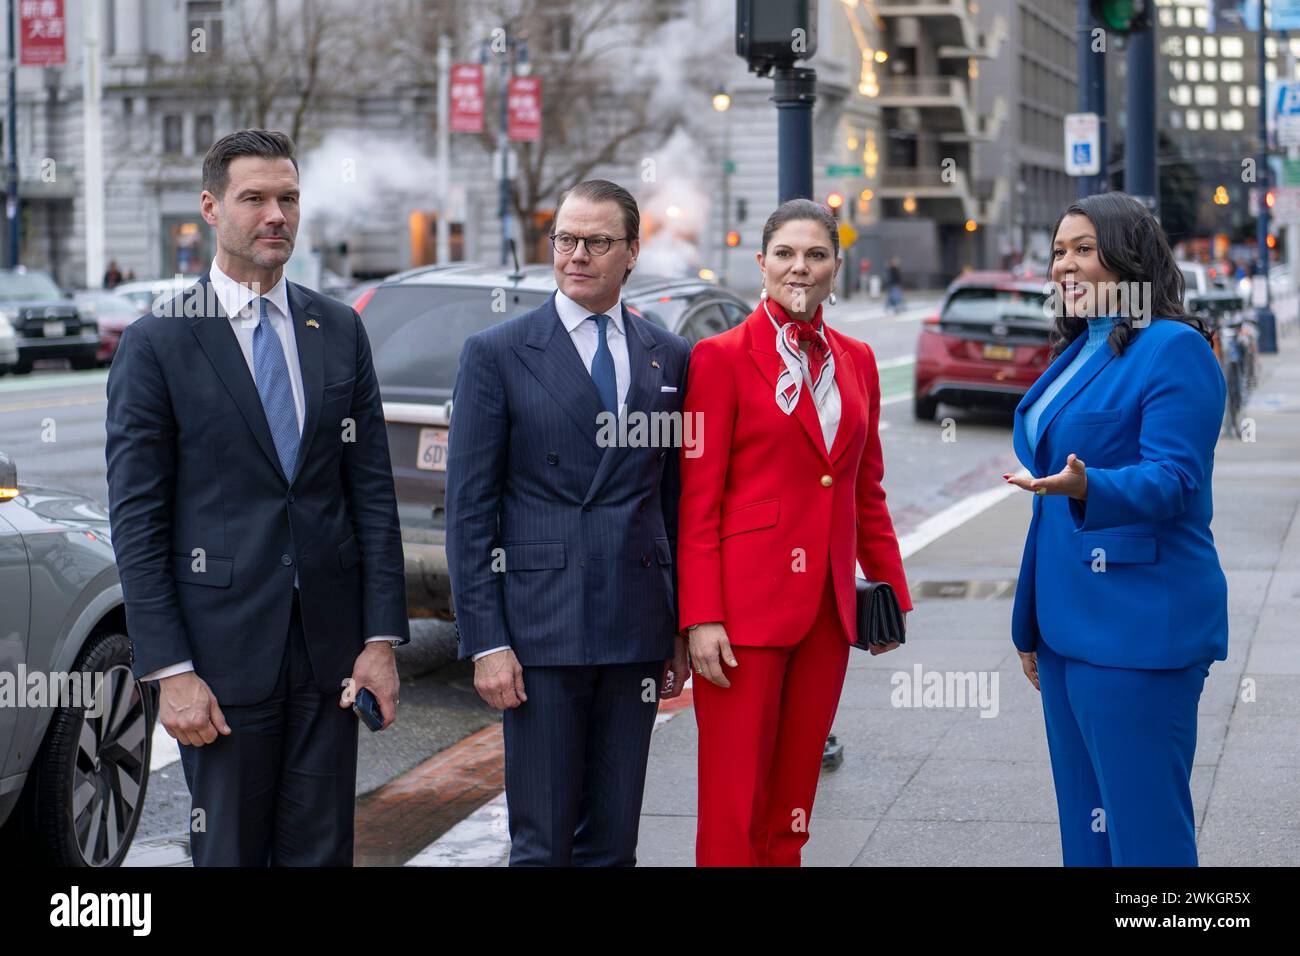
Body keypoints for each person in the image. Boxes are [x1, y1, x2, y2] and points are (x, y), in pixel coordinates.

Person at [105, 129, 408, 866]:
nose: (276, 214)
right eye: (255, 198)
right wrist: (170, 673)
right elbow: (137, 524)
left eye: (289, 198)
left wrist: (380, 641)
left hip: (330, 656)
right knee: (230, 852)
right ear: (211, 207)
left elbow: (370, 493)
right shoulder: (159, 342)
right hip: (219, 657)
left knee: (322, 852)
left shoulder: (336, 328)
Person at [445, 179, 691, 866]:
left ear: (633, 252)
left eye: (597, 242)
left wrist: (678, 624)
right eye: (565, 240)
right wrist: (485, 640)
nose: (576, 255)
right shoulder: (497, 353)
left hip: (635, 627)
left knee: (614, 843)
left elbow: (673, 502)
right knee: (542, 844)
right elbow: (469, 512)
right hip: (539, 633)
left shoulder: (667, 356)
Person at [677, 198, 911, 866]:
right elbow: (698, 502)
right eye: (785, 254)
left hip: (828, 617)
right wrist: (701, 616)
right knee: (734, 805)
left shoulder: (859, 359)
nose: (799, 268)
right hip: (741, 618)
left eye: (815, 254)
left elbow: (865, 488)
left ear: (838, 265)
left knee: (793, 806)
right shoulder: (720, 359)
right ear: (761, 263)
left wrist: (891, 593)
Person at [1005, 191, 1226, 866]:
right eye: (1058, 252)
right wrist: (1030, 624)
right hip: (1067, 632)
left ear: (1129, 258)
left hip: (1137, 634)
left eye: (1083, 250)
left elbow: (1174, 480)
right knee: (1088, 836)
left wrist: (1089, 486)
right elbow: (1046, 505)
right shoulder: (1079, 350)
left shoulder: (1175, 348)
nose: (1064, 266)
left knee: (1146, 842)